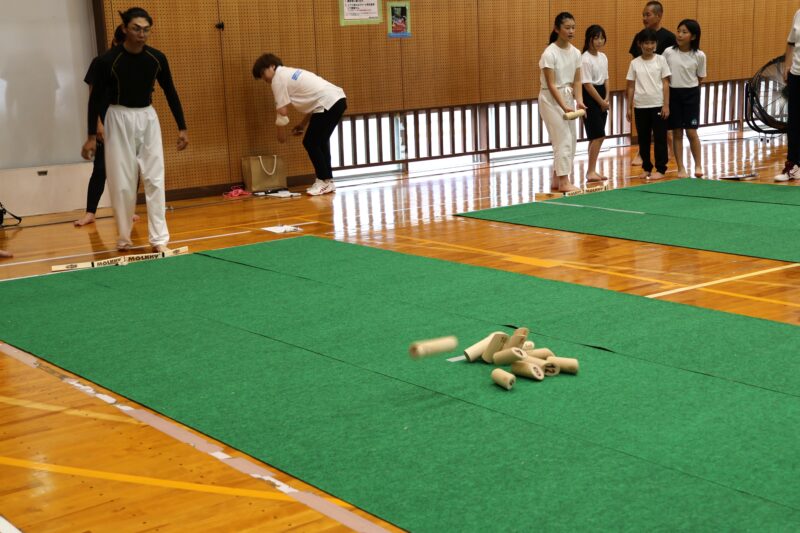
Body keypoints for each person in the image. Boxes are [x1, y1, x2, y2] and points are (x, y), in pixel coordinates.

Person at [81, 7, 188, 252]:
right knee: (122, 182)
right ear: (125, 29)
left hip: (147, 117)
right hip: (117, 117)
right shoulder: (107, 61)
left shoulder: (156, 58)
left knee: (154, 178)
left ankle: (159, 239)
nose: (142, 34)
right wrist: (90, 136)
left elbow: (170, 92)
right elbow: (95, 99)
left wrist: (182, 127)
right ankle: (124, 238)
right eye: (136, 29)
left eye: (146, 29)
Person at [252, 54, 347, 196]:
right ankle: (327, 181)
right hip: (337, 100)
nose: (264, 78)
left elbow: (282, 111)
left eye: (262, 73)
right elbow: (314, 103)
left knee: (311, 142)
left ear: (272, 66)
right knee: (319, 142)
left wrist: (280, 133)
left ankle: (322, 181)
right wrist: (303, 125)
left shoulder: (278, 78)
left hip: (327, 103)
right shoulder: (288, 73)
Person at [75, 25, 141, 227]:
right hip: (106, 121)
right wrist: (98, 125)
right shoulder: (100, 63)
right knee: (101, 168)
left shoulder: (133, 64)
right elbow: (93, 98)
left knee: (132, 168)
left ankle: (128, 210)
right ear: (115, 42)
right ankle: (90, 212)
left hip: (129, 122)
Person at [538, 12, 585, 193]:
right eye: (567, 27)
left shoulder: (575, 52)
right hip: (550, 99)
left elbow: (578, 80)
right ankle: (565, 182)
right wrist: (564, 105)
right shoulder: (549, 53)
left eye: (573, 27)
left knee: (570, 139)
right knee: (562, 139)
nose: (571, 31)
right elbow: (550, 84)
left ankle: (557, 179)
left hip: (566, 97)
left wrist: (578, 101)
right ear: (557, 29)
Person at [629, 1, 676, 166]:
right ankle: (643, 155)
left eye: (647, 14)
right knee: (644, 131)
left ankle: (669, 153)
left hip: (662, 88)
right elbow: (635, 64)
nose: (644, 18)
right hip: (644, 95)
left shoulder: (669, 38)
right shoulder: (639, 36)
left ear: (659, 15)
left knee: (665, 131)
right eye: (643, 15)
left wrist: (666, 100)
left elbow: (671, 66)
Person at [626, 28, 671, 180]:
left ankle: (661, 168)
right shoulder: (634, 63)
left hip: (658, 104)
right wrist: (629, 107)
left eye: (652, 43)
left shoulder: (661, 60)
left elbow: (665, 83)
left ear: (656, 44)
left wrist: (666, 105)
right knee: (643, 139)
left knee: (660, 138)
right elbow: (631, 85)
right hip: (640, 106)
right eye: (646, 43)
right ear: (640, 44)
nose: (649, 46)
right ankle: (646, 167)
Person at [664, 19, 706, 178]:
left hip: (691, 94)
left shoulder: (699, 55)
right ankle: (681, 167)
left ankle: (698, 165)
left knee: (691, 132)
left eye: (684, 32)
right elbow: (664, 77)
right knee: (676, 132)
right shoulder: (668, 52)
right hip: (674, 94)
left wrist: (691, 89)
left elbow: (700, 77)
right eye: (678, 31)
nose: (680, 35)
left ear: (693, 36)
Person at [581, 24, 610, 183]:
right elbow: (587, 85)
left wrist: (606, 98)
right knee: (598, 135)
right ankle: (590, 171)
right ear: (589, 39)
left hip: (601, 96)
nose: (599, 41)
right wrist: (600, 102)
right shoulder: (584, 58)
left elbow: (606, 79)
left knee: (595, 138)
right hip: (590, 98)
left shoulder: (603, 57)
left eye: (601, 38)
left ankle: (592, 170)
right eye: (596, 38)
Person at [777, 9, 800, 181]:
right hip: (797, 73)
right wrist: (787, 65)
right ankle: (793, 164)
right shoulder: (798, 13)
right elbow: (791, 42)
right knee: (794, 122)